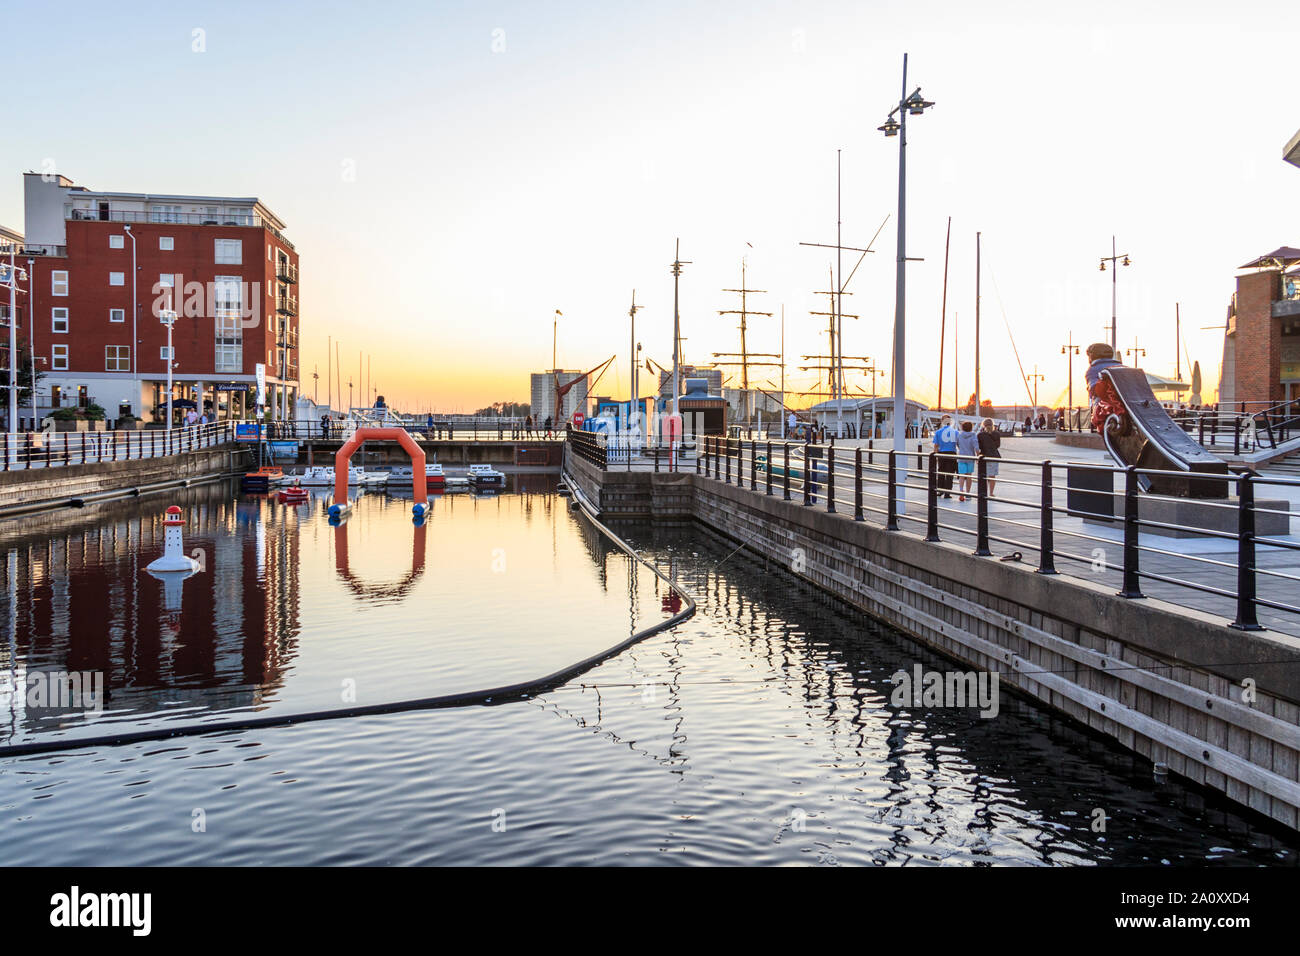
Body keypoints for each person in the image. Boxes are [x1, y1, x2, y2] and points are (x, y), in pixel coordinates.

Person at [1084, 342, 1125, 433]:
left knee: (1098, 418)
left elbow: (1094, 390)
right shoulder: (1123, 367)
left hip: (1108, 404)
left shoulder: (1093, 369)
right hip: (1127, 401)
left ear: (1092, 356)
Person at [932, 414, 959, 498]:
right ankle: (947, 493)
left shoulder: (938, 432)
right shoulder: (955, 432)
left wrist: (936, 456)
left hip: (942, 453)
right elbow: (958, 445)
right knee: (950, 474)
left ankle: (940, 491)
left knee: (941, 473)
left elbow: (936, 445)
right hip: (952, 454)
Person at [978, 417, 1002, 497]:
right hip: (994, 456)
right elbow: (998, 445)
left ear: (983, 425)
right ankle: (991, 493)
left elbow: (979, 446)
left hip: (984, 456)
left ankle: (984, 492)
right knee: (992, 476)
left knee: (984, 475)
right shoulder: (997, 434)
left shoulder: (980, 435)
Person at [956, 420, 979, 501]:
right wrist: (978, 456)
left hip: (961, 456)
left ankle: (961, 492)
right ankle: (968, 493)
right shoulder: (973, 435)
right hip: (970, 457)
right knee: (969, 476)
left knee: (962, 476)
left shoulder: (959, 435)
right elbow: (976, 446)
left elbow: (957, 444)